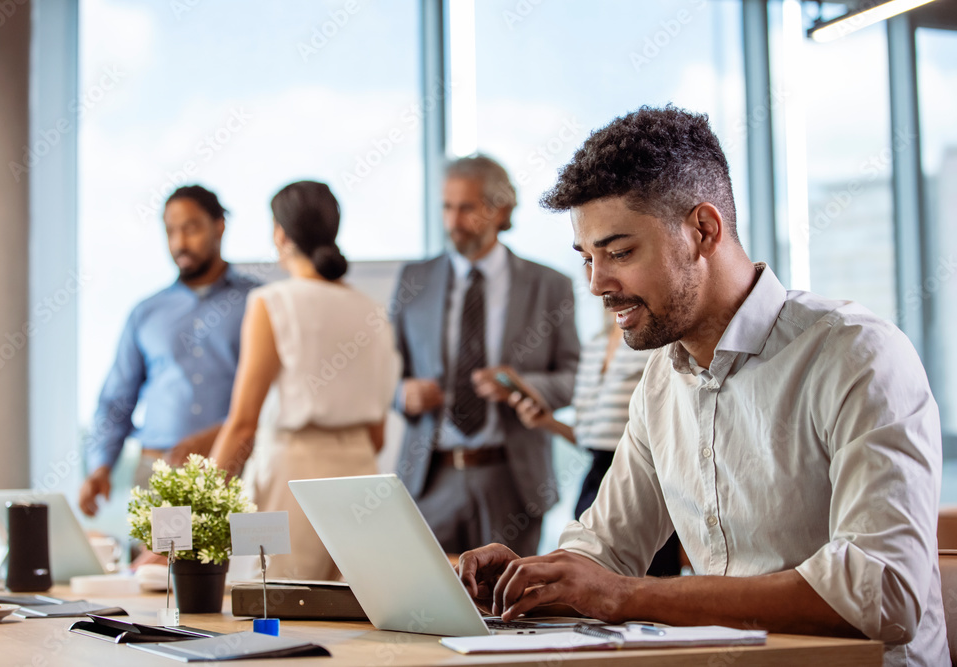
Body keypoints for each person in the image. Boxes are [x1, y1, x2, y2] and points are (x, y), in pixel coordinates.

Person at [457, 106, 947, 666]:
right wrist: (531, 581)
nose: (597, 284)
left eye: (619, 252)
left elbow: (883, 592)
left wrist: (629, 597)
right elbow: (605, 551)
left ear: (704, 230)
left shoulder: (857, 355)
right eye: (587, 258)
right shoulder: (662, 380)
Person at [210, 180, 400, 580]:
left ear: (280, 234)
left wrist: (200, 506)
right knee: (356, 614)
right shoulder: (373, 312)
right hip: (363, 479)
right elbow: (378, 436)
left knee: (273, 614)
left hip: (291, 480)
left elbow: (243, 424)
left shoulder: (272, 302)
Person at [391, 155, 580, 557]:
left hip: (512, 480)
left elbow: (574, 376)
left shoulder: (549, 285)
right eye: (446, 206)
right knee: (426, 607)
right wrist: (401, 393)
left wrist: (523, 384)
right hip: (429, 478)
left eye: (466, 208)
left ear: (501, 210)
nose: (452, 221)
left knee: (506, 608)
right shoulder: (414, 280)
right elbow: (387, 373)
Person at [79, 185, 260, 517]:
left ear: (219, 226)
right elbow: (116, 400)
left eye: (190, 228)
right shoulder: (146, 312)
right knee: (153, 569)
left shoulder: (259, 303)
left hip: (233, 467)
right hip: (157, 471)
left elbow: (275, 397)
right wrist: (100, 465)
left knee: (238, 567)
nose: (180, 243)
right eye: (170, 231)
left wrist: (218, 436)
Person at [506, 317, 681, 578]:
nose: (594, 279)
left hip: (643, 478)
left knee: (648, 586)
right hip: (595, 480)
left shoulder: (655, 343)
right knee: (590, 579)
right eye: (588, 272)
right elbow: (589, 435)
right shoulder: (594, 346)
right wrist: (547, 422)